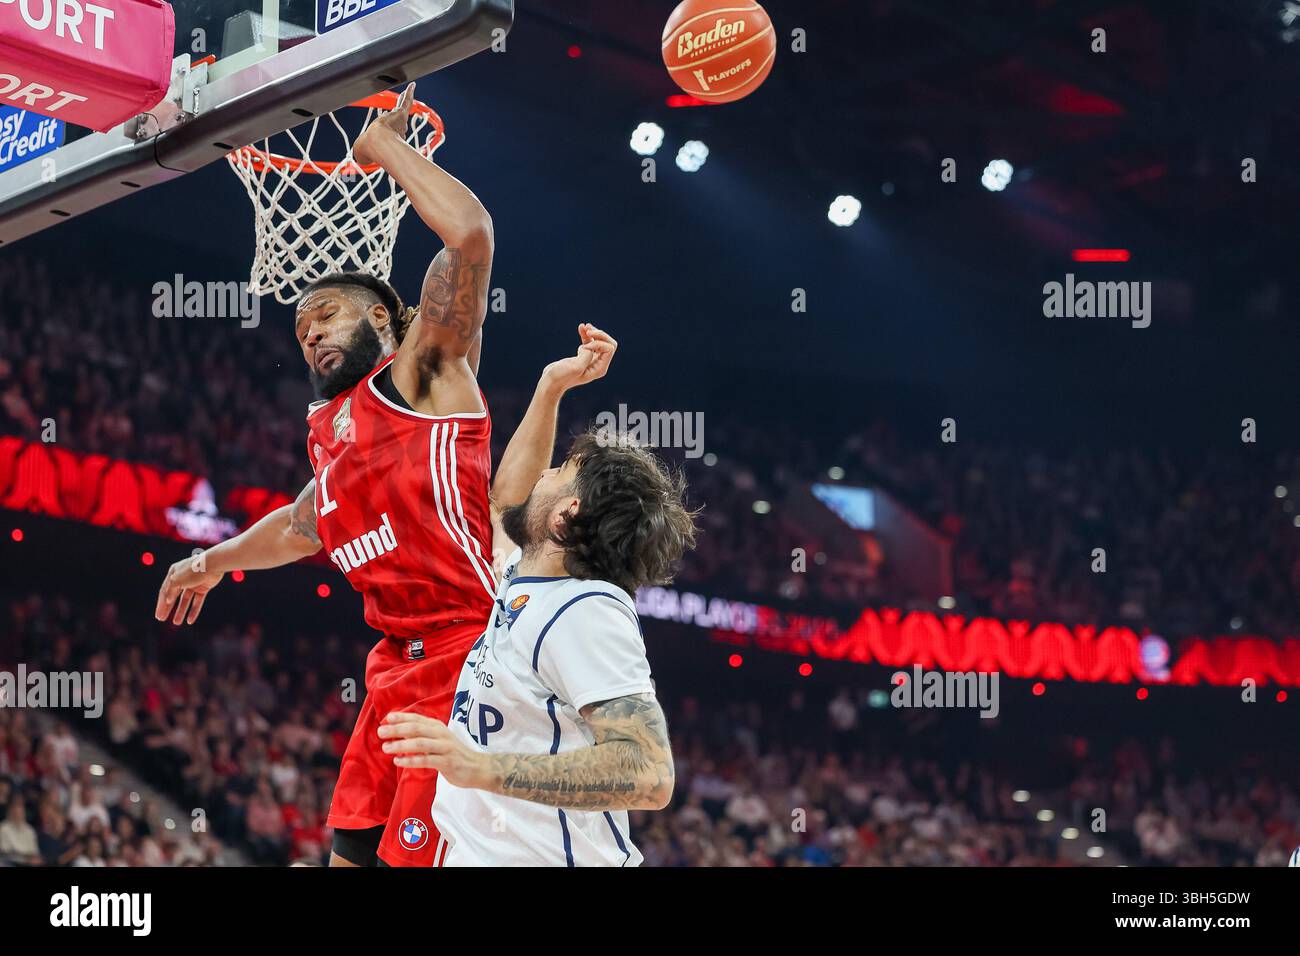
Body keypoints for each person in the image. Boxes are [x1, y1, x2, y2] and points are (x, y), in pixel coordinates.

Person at [155, 82, 618, 866]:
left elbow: (471, 236)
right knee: (344, 855)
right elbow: (301, 526)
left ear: (380, 319)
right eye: (301, 332)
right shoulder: (327, 434)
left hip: (469, 659)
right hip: (390, 669)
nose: (309, 337)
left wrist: (383, 148)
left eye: (325, 316)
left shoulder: (423, 373)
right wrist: (209, 561)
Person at [379, 431, 698, 865]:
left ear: (567, 514)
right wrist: (552, 385)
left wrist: (480, 767)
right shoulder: (522, 573)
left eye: (560, 469)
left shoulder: (586, 611)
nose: (544, 472)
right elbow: (502, 506)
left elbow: (649, 773)